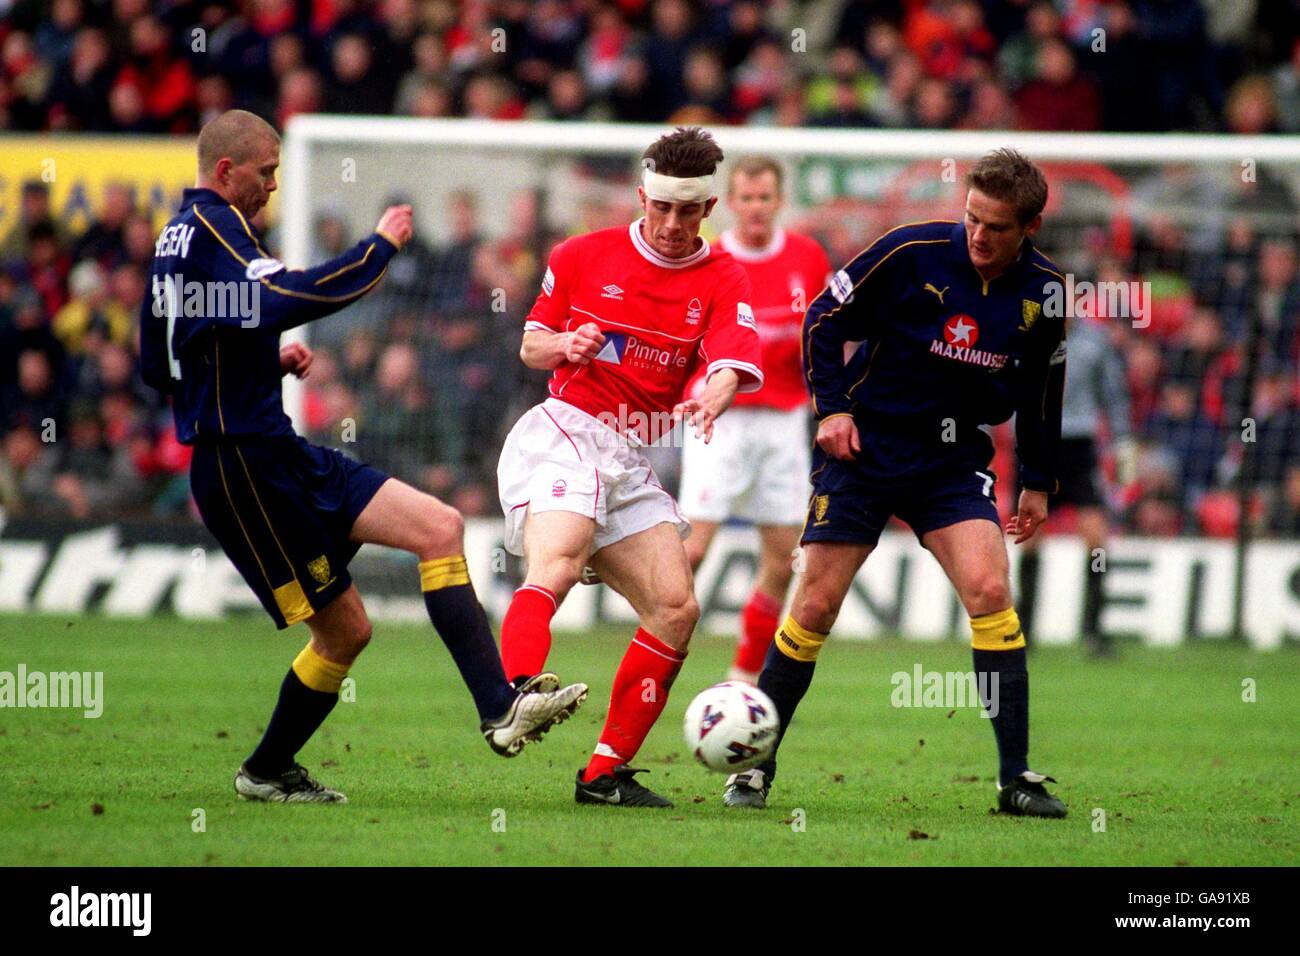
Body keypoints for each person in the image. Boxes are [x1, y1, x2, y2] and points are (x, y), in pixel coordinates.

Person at [139, 110, 586, 805]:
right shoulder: (213, 228)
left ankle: (499, 709)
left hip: (275, 449)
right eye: (265, 173)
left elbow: (159, 357)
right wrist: (378, 248)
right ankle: (264, 771)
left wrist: (258, 360)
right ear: (226, 172)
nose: (274, 186)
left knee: (439, 527)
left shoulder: (176, 239)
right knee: (346, 630)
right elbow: (286, 296)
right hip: (244, 468)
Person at [723, 148, 1069, 819]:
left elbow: (1043, 388)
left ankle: (1016, 780)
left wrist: (1038, 481)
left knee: (993, 591)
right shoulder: (908, 252)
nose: (977, 234)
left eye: (995, 226)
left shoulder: (1046, 291)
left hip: (950, 462)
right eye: (971, 217)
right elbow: (823, 317)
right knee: (815, 606)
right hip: (865, 451)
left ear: (1029, 228)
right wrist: (834, 406)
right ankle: (755, 769)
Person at [496, 126, 762, 808]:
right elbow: (530, 347)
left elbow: (733, 353)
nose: (673, 224)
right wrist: (565, 341)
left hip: (630, 455)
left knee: (676, 609)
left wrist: (717, 388)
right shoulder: (583, 254)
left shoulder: (724, 275)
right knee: (558, 561)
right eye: (661, 208)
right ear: (642, 197)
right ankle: (518, 695)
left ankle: (602, 775)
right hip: (566, 431)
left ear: (709, 209)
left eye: (689, 211)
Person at [678, 155, 831, 683]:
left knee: (785, 554)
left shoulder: (808, 258)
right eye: (746, 198)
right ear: (731, 203)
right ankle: (659, 654)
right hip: (721, 417)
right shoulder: (710, 261)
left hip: (783, 420)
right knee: (693, 548)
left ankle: (743, 677)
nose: (756, 207)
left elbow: (824, 335)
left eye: (765, 197)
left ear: (779, 200)